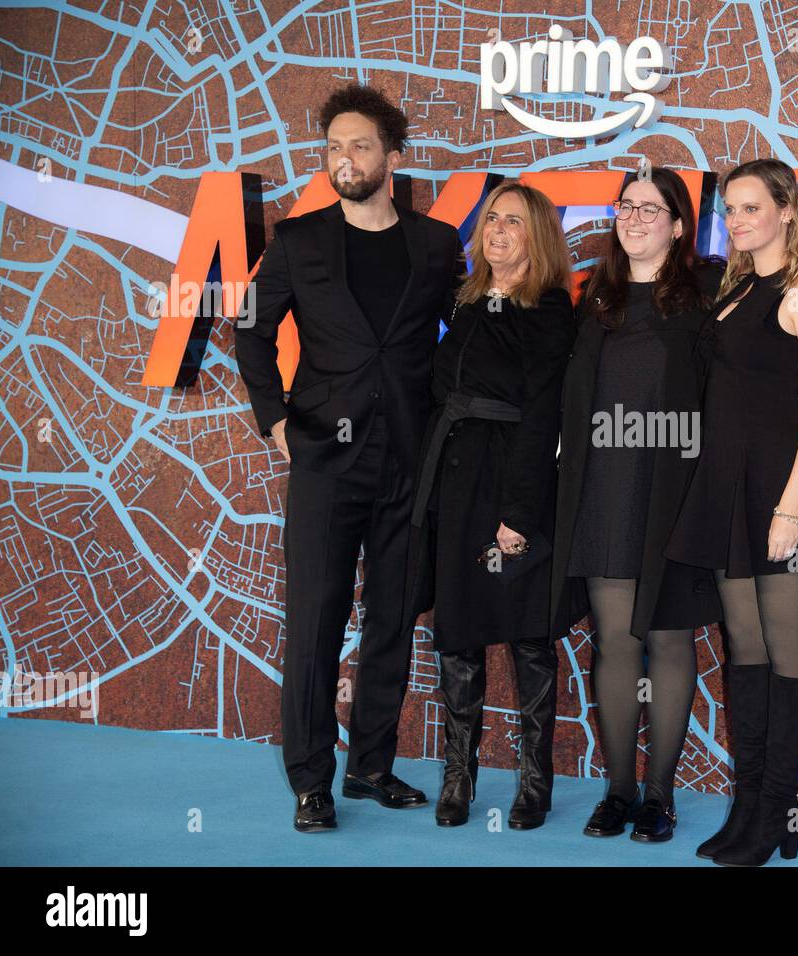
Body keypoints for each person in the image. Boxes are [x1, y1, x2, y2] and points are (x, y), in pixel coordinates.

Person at [235, 83, 464, 832]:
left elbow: (455, 345)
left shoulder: (435, 245)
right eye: (334, 146)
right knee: (316, 622)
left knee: (393, 618)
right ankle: (311, 780)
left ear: (393, 155)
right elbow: (251, 334)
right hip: (325, 462)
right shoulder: (297, 241)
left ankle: (371, 766)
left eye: (360, 145)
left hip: (408, 460)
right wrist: (276, 425)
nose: (345, 158)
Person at [665, 158, 798, 866]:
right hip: (725, 486)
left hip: (783, 490)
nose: (738, 221)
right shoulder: (731, 288)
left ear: (785, 211)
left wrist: (788, 511)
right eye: (731, 211)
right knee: (743, 652)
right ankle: (750, 805)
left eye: (751, 208)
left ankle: (777, 810)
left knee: (787, 655)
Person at [550, 166, 724, 843]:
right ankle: (619, 791)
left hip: (676, 488)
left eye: (654, 208)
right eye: (627, 205)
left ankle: (660, 796)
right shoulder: (595, 297)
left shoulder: (708, 292)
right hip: (605, 488)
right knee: (616, 641)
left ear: (680, 225)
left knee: (669, 637)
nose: (636, 217)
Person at [407, 182, 577, 831]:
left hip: (514, 484)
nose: (497, 230)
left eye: (513, 221)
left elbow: (542, 417)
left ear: (537, 236)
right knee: (458, 631)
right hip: (455, 480)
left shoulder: (551, 311)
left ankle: (535, 780)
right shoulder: (468, 300)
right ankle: (459, 775)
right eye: (491, 219)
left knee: (529, 635)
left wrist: (519, 514)